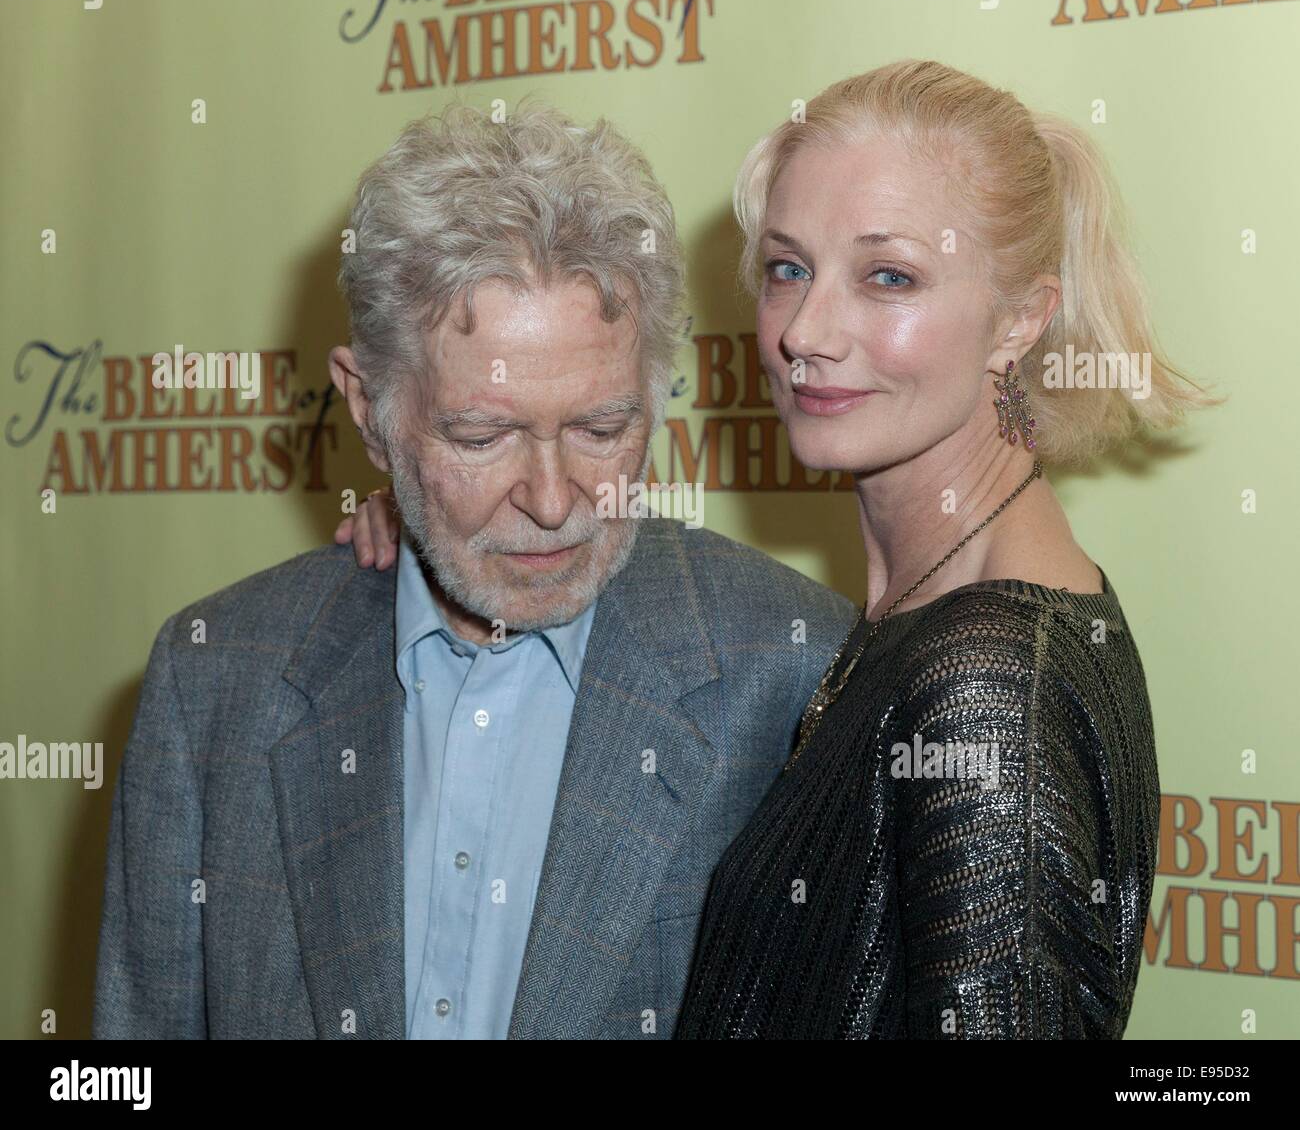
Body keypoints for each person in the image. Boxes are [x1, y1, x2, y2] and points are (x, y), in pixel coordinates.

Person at [345, 60, 1218, 1039]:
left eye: (889, 277)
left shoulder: (988, 678)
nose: (805, 329)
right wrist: (433, 509)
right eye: (787, 268)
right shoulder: (921, 615)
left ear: (1019, 318)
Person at [91, 104, 856, 1040]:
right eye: (481, 436)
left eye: (601, 430)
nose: (549, 498)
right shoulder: (214, 682)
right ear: (368, 407)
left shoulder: (801, 673)